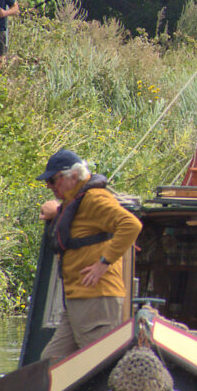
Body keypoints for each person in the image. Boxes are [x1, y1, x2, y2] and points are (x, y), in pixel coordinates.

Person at [36, 149, 143, 364]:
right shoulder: (74, 200)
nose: (49, 186)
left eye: (53, 180)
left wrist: (103, 263)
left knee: (98, 365)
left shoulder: (95, 198)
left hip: (97, 299)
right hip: (76, 300)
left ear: (73, 176)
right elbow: (78, 221)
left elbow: (131, 224)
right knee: (50, 362)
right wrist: (56, 211)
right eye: (47, 182)